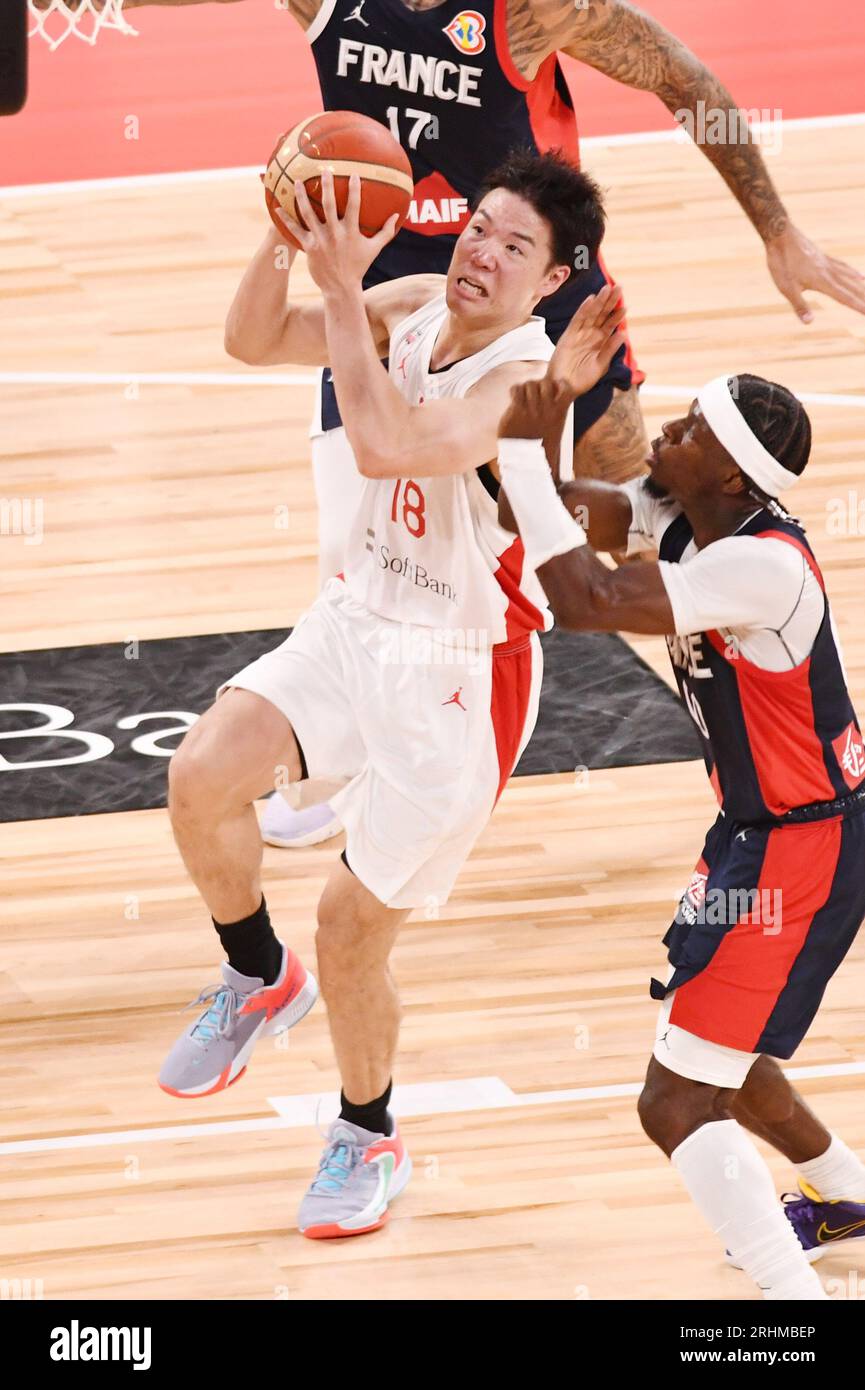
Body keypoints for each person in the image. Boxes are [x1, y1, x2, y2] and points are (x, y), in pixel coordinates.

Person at [132, 0, 865, 847]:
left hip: (541, 296)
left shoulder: (531, 14)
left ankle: (786, 709)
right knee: (356, 548)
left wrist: (777, 231)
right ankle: (349, 755)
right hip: (392, 288)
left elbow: (679, 75)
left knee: (644, 527)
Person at [161, 150, 609, 1237]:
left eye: (516, 248)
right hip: (360, 618)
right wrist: (292, 224)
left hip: (460, 676)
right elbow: (250, 339)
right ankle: (260, 975)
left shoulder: (520, 387)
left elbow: (384, 445)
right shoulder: (411, 301)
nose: (483, 254)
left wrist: (331, 288)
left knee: (352, 926)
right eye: (481, 228)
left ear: (549, 283)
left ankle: (369, 1131)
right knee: (198, 779)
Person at [493, 304, 865, 1297]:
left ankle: (794, 1304)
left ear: (736, 478)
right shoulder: (689, 511)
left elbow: (586, 601)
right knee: (719, 1056)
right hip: (758, 836)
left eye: (693, 429)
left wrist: (527, 455)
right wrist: (543, 408)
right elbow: (545, 510)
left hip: (800, 849)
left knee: (672, 1097)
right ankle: (841, 1193)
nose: (668, 430)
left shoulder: (760, 567)